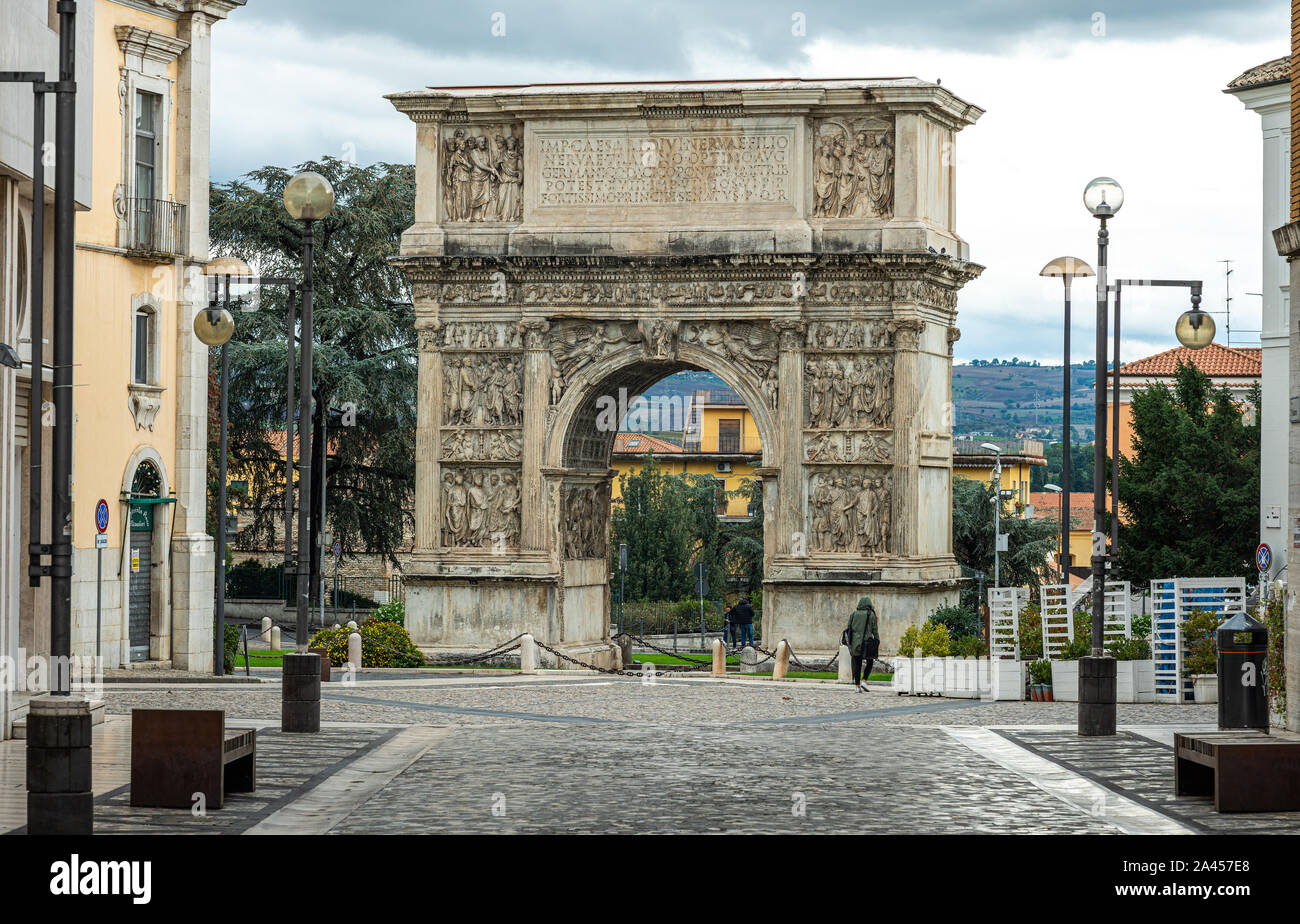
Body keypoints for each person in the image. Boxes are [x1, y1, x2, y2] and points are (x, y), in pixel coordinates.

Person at [843, 595, 880, 693]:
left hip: (855, 643)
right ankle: (864, 680)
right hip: (867, 643)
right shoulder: (870, 614)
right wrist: (877, 639)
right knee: (870, 662)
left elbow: (849, 628)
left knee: (857, 664)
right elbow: (874, 629)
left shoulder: (853, 614)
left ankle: (857, 686)